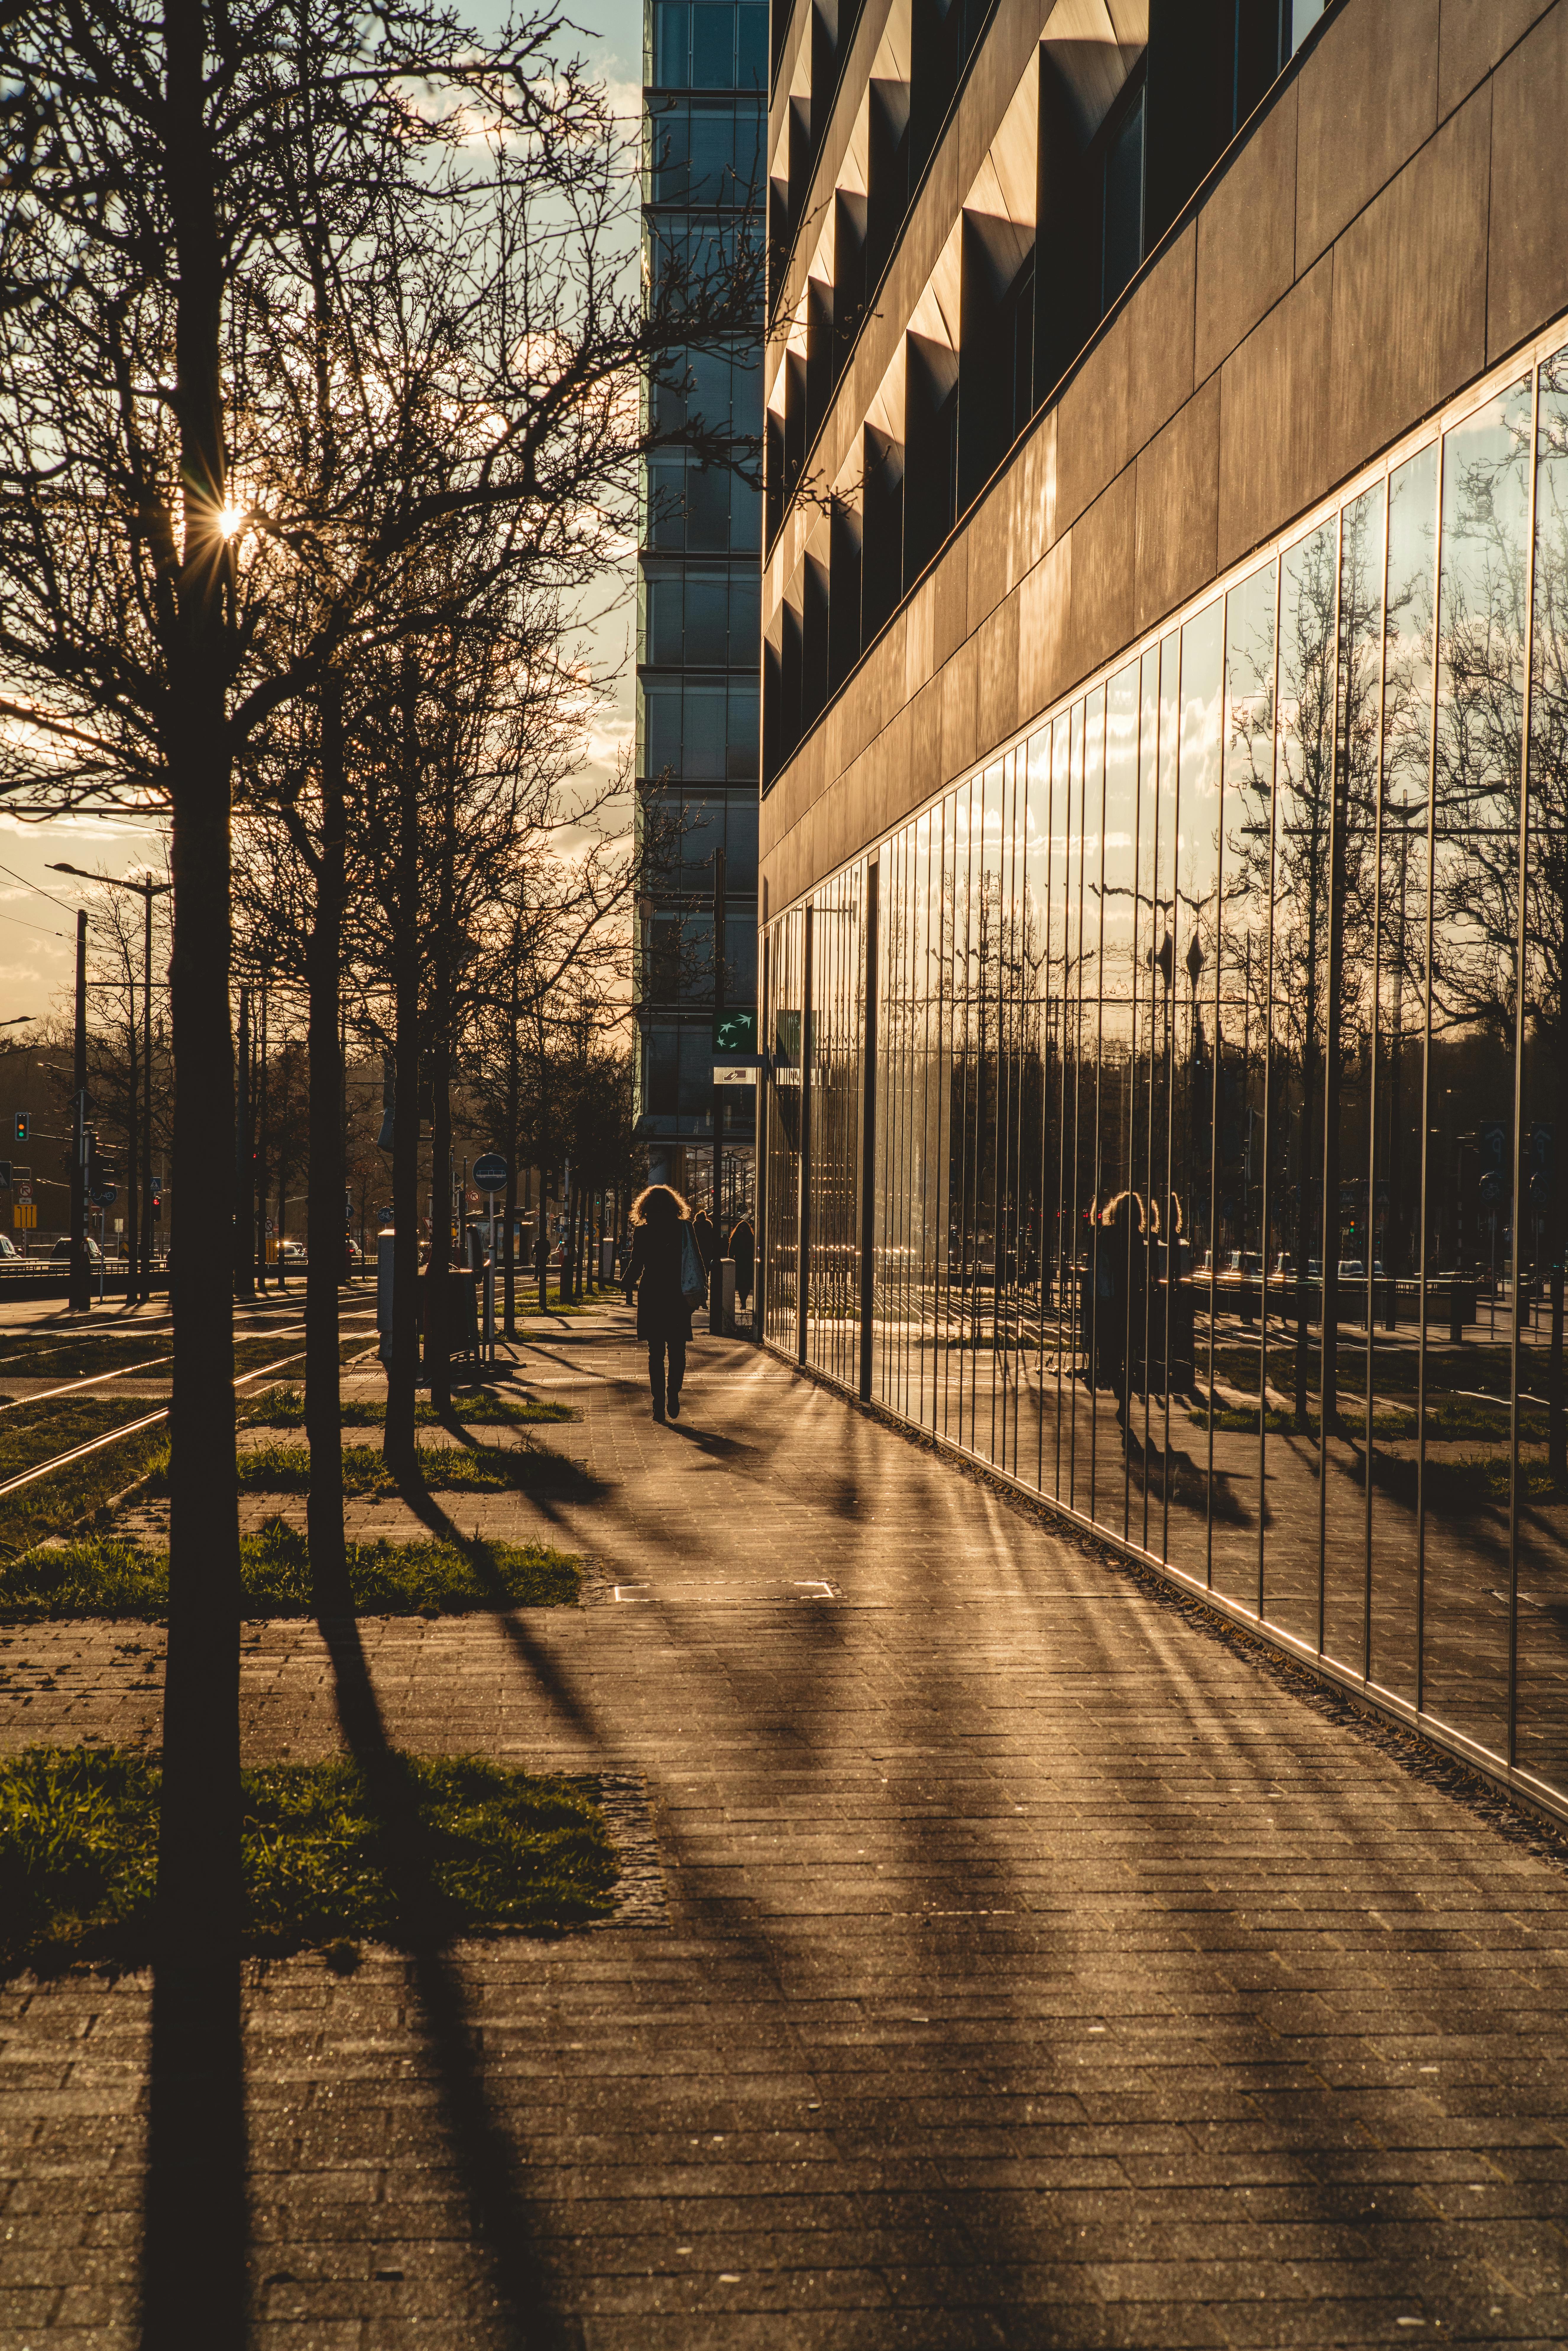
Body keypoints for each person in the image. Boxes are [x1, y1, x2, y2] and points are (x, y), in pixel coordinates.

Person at [622, 1183, 704, 1422]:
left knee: (655, 1354)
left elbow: (637, 1264)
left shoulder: (644, 1232)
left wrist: (626, 1283)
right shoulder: (685, 1229)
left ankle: (658, 1404)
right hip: (678, 1295)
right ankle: (673, 1394)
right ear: (674, 1205)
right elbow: (696, 1260)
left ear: (645, 1207)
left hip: (653, 1295)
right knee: (678, 1350)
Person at [728, 1213, 754, 1308]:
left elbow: (731, 1251)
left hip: (746, 1262)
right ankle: (743, 1302)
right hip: (741, 1262)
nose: (742, 1229)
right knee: (742, 1284)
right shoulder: (749, 1238)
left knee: (746, 1284)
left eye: (744, 1227)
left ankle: (744, 1301)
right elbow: (731, 1251)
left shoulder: (747, 1238)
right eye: (741, 1227)